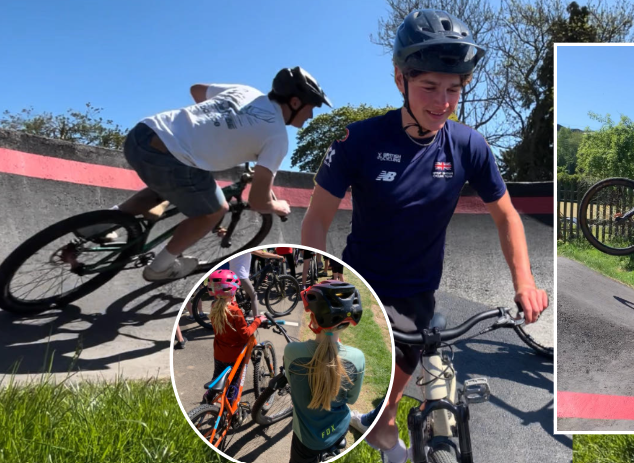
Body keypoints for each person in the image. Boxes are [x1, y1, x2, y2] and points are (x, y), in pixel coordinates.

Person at [300, 9, 548, 462]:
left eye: (454, 89)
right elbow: (315, 220)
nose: (443, 101)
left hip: (419, 297)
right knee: (330, 402)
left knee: (391, 397)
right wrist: (319, 280)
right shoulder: (359, 140)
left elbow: (507, 215)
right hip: (361, 291)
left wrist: (525, 282)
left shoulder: (469, 145)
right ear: (400, 79)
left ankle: (385, 431)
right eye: (429, 87)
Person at [85, 67, 331, 281]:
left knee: (163, 189)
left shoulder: (245, 91)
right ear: (295, 102)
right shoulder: (277, 137)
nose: (311, 116)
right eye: (311, 108)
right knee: (215, 210)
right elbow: (258, 202)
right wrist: (278, 207)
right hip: (172, 159)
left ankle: (97, 225)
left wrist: (214, 128)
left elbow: (196, 90)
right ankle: (160, 267)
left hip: (142, 134)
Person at [284, 281, 365, 463]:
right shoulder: (357, 358)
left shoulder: (292, 352)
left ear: (312, 319)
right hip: (338, 429)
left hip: (305, 440)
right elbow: (351, 399)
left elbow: (290, 382)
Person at [201, 269, 267, 405]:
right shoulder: (235, 312)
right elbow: (245, 335)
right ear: (232, 291)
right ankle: (231, 409)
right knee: (234, 383)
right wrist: (257, 321)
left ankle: (208, 398)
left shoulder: (214, 306)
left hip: (219, 353)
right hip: (235, 354)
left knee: (217, 378)